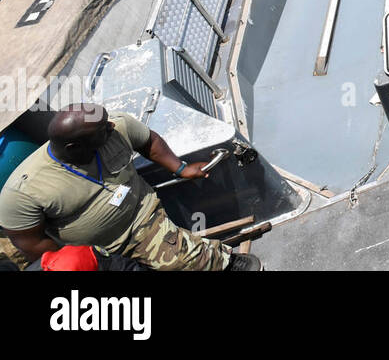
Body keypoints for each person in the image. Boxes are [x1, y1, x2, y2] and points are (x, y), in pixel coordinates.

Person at [0, 104, 259, 271]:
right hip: (94, 251)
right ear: (74, 147)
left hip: (140, 217)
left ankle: (224, 263)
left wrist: (180, 168)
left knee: (181, 259)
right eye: (103, 129)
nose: (111, 125)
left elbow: (149, 142)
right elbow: (32, 243)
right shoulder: (22, 192)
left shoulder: (118, 125)